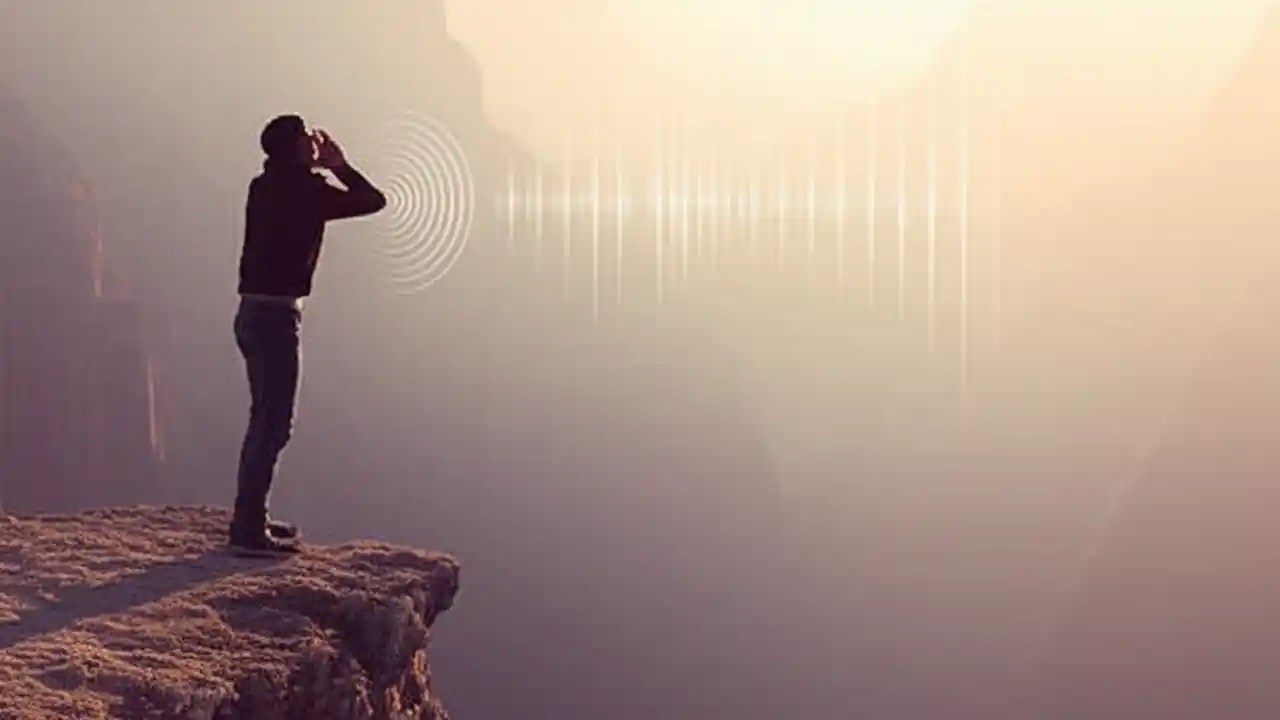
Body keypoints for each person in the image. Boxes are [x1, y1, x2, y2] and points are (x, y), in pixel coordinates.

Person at [229, 114, 387, 557]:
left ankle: (250, 518)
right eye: (305, 138)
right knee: (274, 425)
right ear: (296, 148)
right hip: (276, 320)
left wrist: (312, 166)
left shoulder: (262, 185)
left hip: (250, 314)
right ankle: (247, 530)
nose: (312, 142)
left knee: (263, 421)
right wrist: (337, 164)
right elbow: (373, 200)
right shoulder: (308, 191)